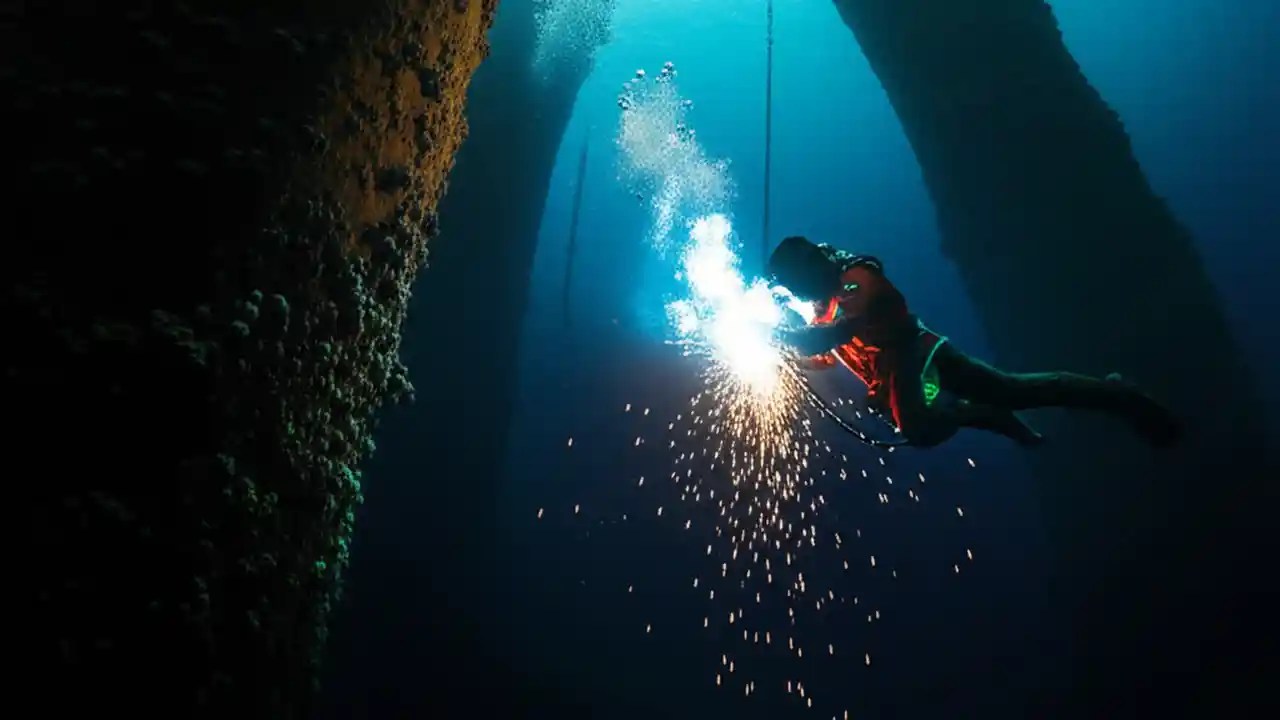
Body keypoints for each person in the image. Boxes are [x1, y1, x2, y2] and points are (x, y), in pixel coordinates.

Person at [768, 235, 1181, 448]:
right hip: (900, 375)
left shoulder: (856, 279)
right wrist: (791, 356)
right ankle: (990, 413)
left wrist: (781, 336)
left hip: (921, 355)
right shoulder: (822, 302)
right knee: (1006, 394)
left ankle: (1119, 395)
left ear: (810, 268)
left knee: (991, 400)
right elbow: (825, 352)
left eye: (796, 285)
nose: (799, 296)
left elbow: (839, 333)